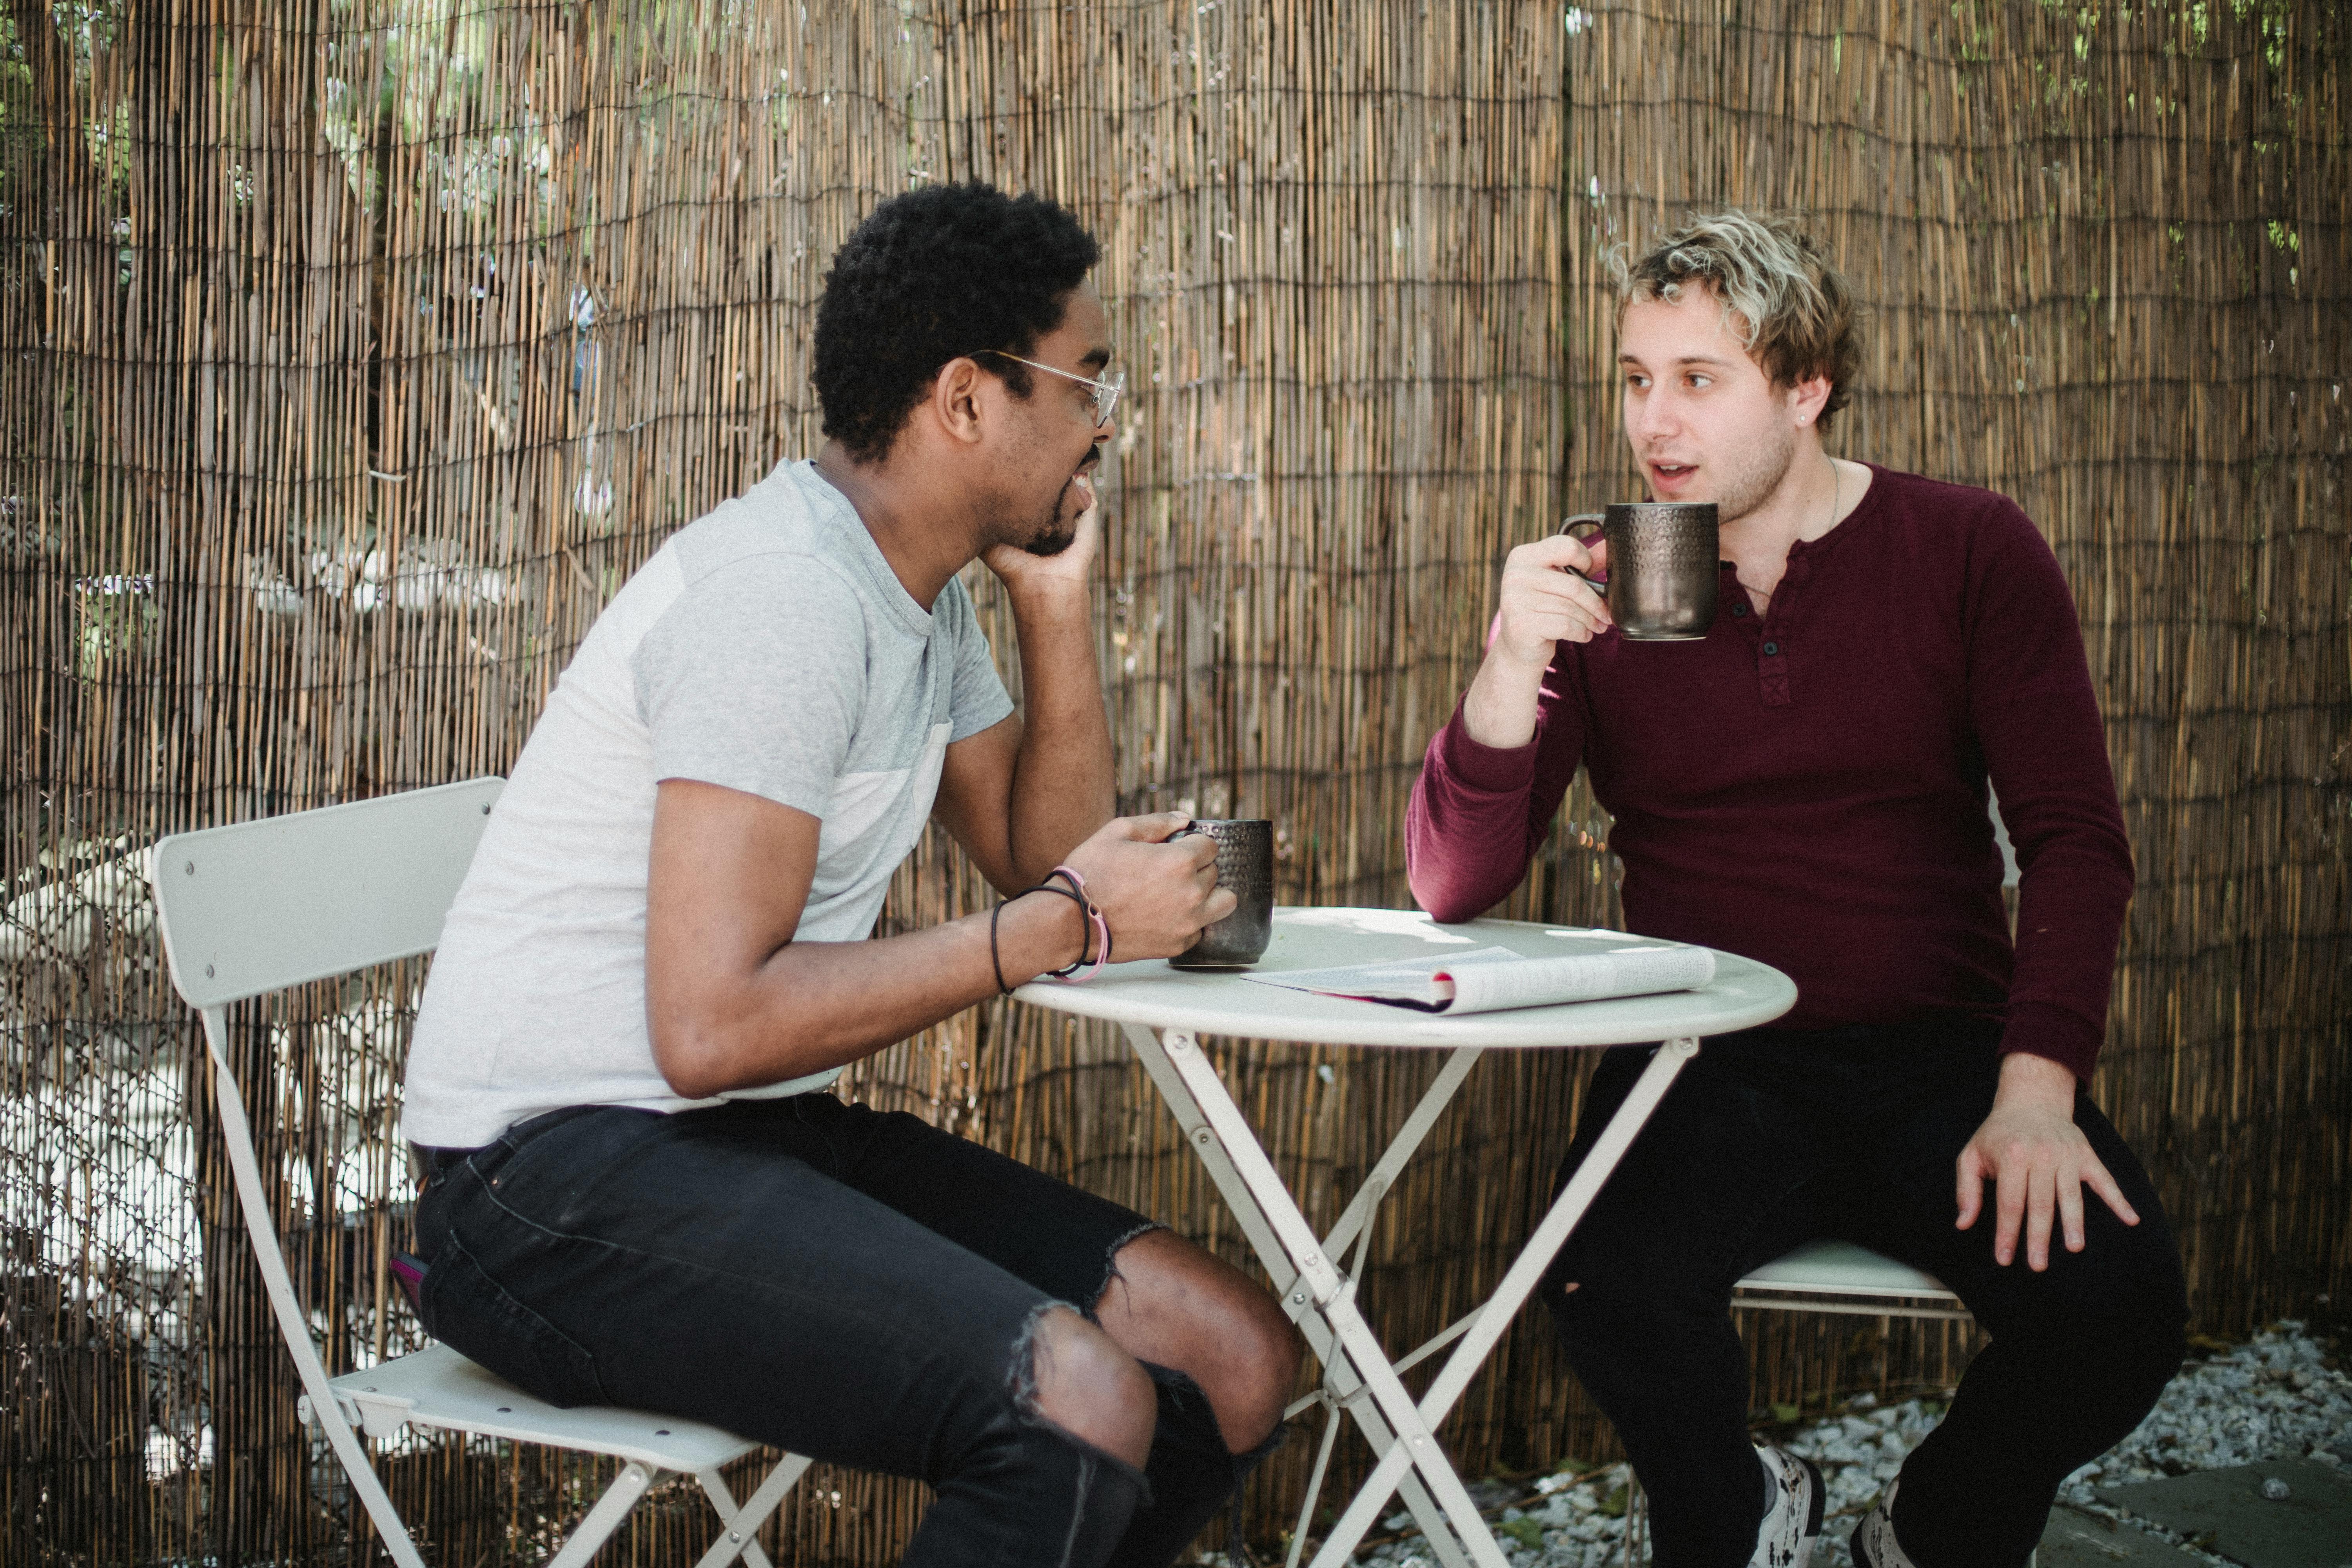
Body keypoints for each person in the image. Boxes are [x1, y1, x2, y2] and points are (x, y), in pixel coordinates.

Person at [400, 183, 1301, 1568]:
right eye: (1087, 380)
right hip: (544, 1186)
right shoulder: (787, 602)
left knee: (1230, 1354)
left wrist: (1052, 606)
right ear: (965, 401)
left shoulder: (916, 594)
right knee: (1076, 1398)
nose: (1106, 422)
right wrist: (1053, 932)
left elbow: (1033, 849)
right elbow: (710, 1029)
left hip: (740, 1137)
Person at [1405, 212, 2186, 1568]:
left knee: (2119, 1309)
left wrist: (2037, 1087)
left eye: (1700, 379)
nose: (1657, 422)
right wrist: (1503, 671)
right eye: (1638, 377)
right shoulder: (1607, 583)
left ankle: (1934, 1534)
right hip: (1705, 1063)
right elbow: (1453, 882)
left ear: (1806, 388)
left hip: (1944, 1058)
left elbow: (2074, 841)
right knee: (1600, 1283)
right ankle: (1734, 1517)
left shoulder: (1969, 550)